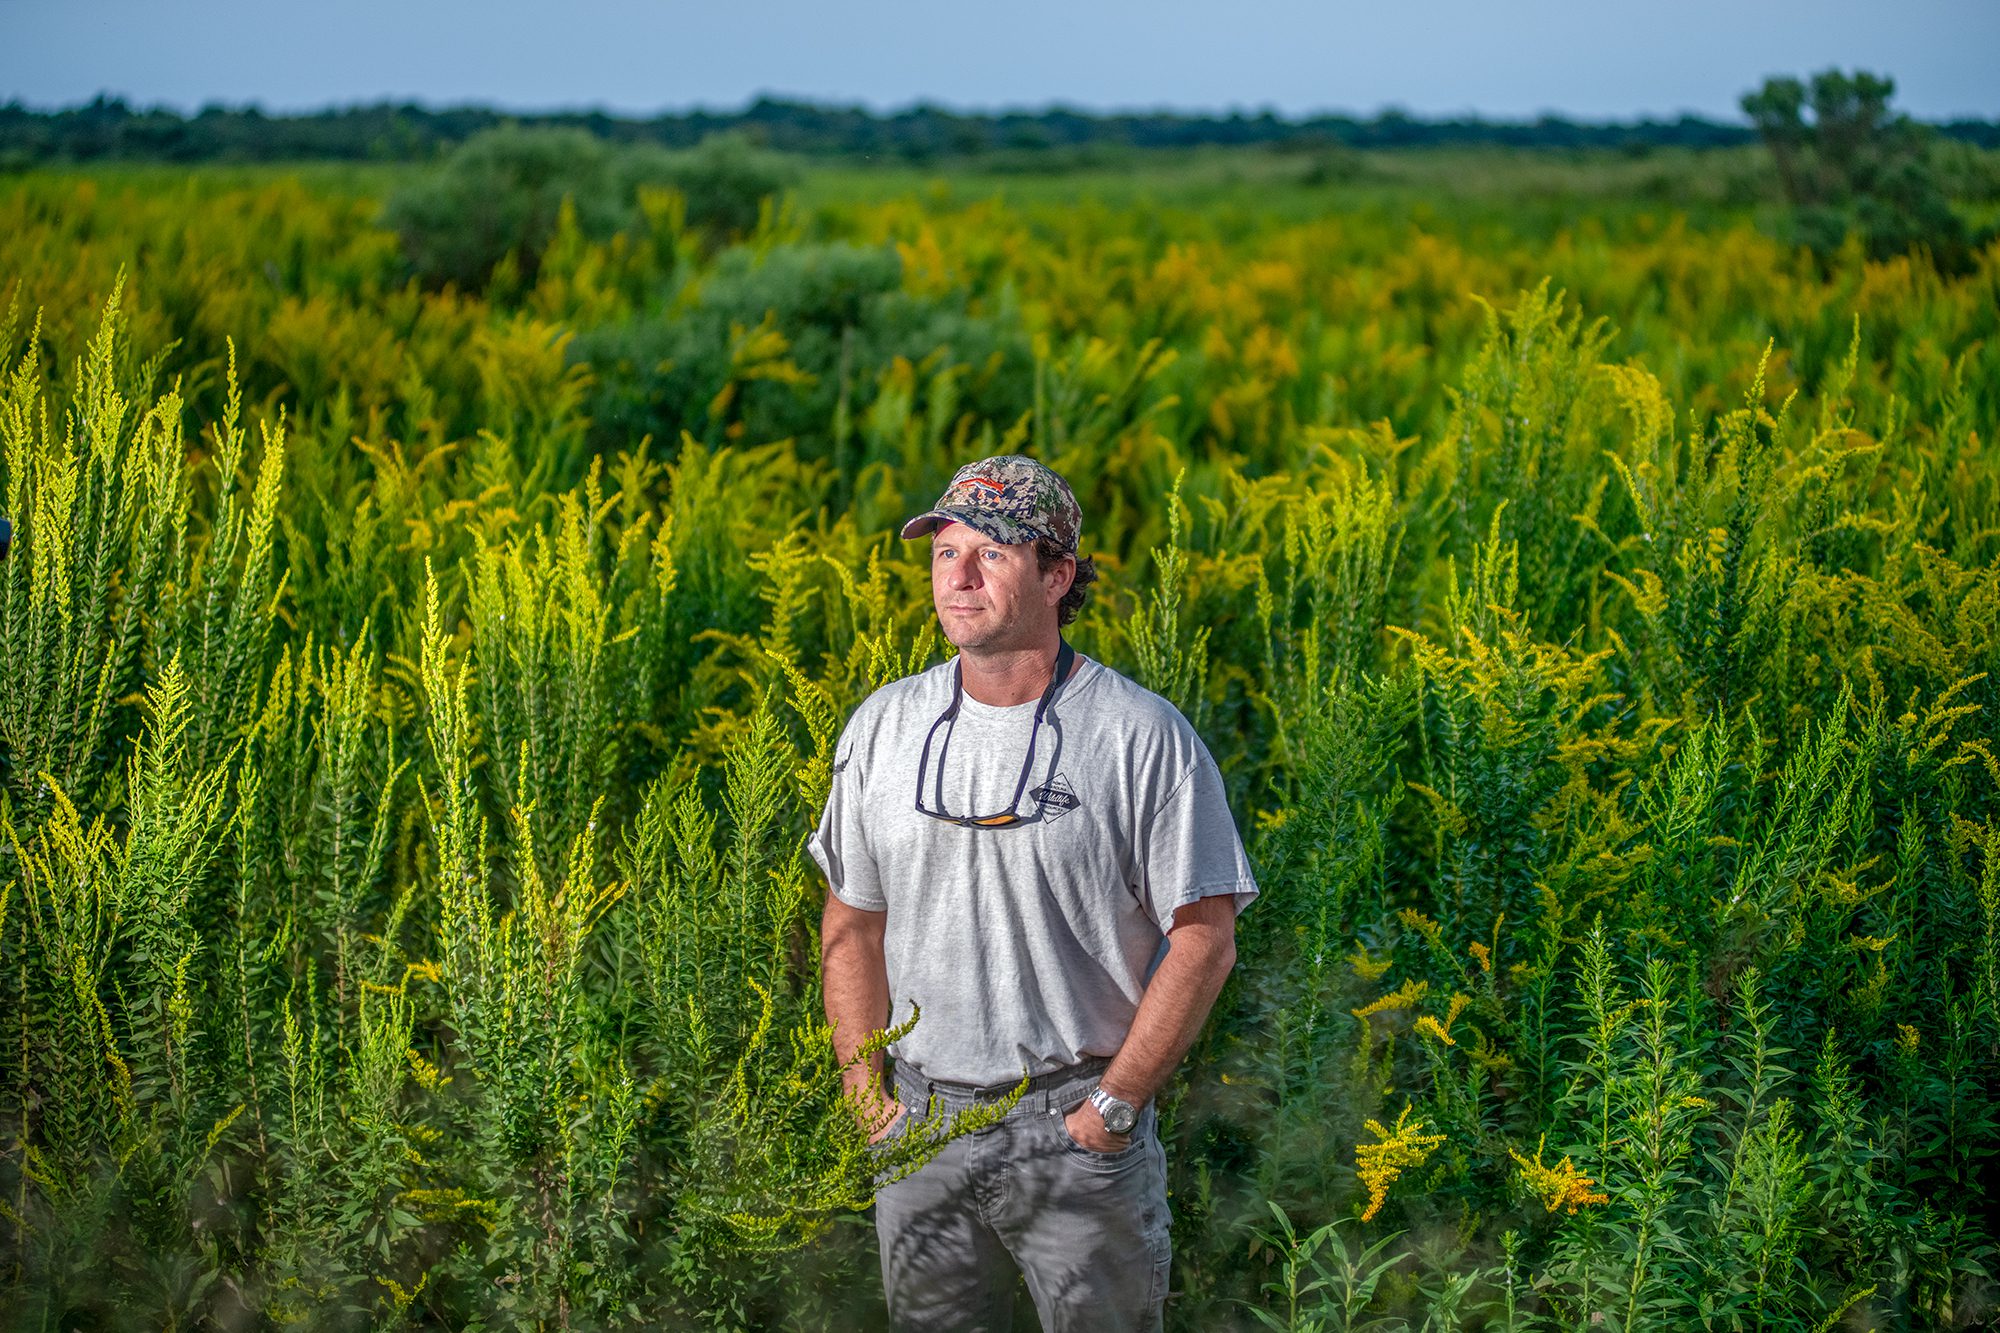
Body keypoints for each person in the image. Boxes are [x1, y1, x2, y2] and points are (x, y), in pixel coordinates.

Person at [810, 455, 1257, 1332]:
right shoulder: (883, 727)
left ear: (1058, 576)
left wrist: (1114, 1108)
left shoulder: (1141, 738)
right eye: (945, 553)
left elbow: (1205, 936)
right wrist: (869, 1098)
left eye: (993, 554)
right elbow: (852, 924)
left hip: (1074, 1133)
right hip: (920, 1133)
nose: (960, 577)